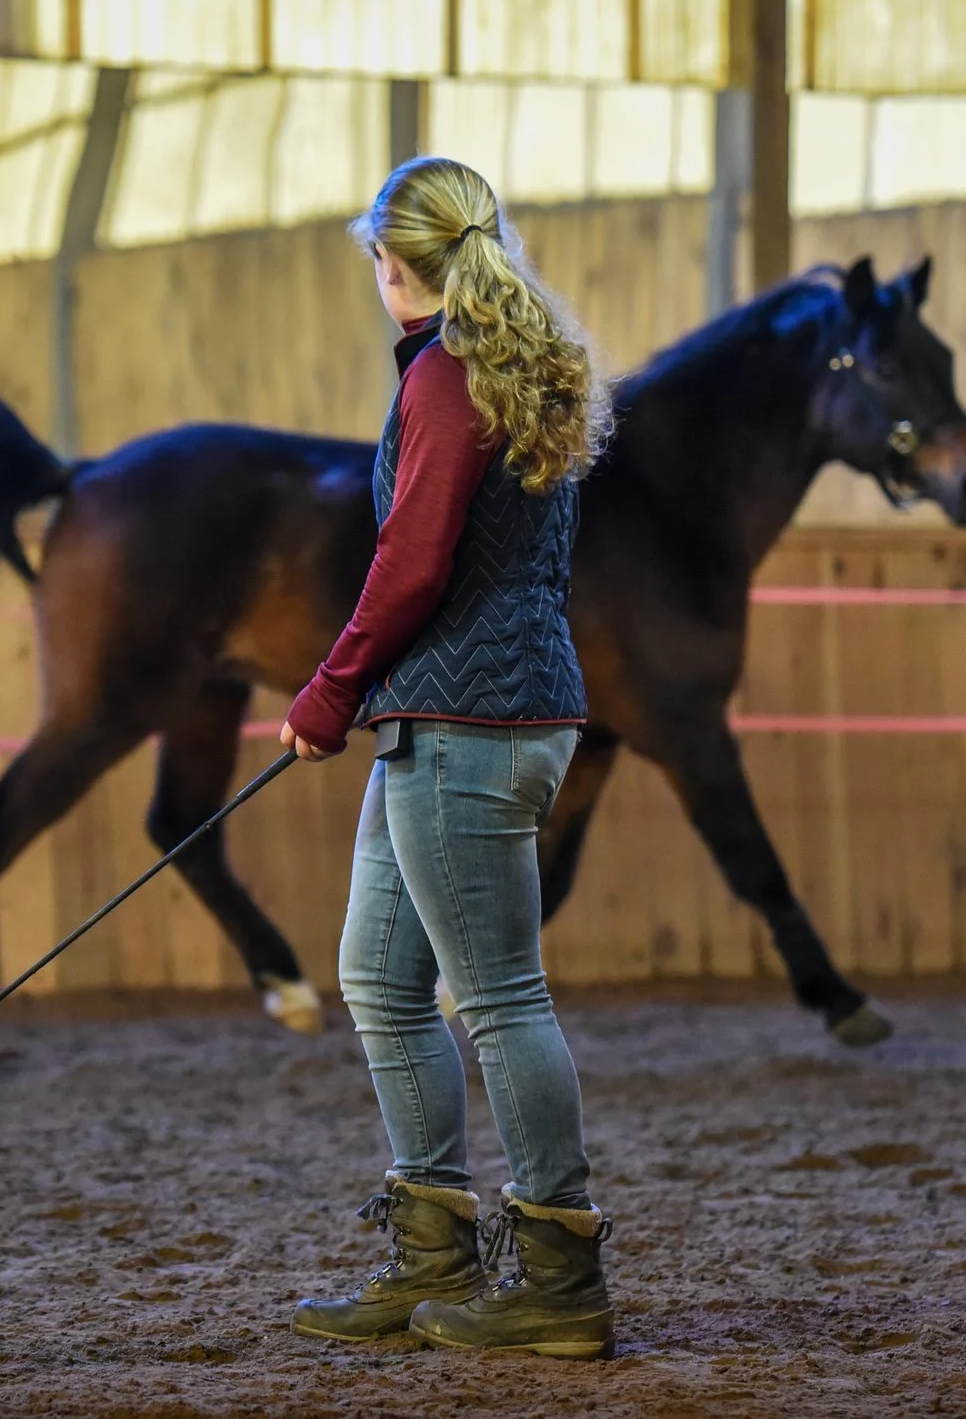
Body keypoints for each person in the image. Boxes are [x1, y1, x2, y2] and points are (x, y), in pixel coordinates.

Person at [280, 157, 615, 1359]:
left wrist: (328, 690)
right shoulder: (516, 361)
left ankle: (562, 1276)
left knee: (497, 996)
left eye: (374, 259)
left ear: (393, 264)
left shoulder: (442, 378)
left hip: (465, 727)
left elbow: (413, 564)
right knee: (377, 974)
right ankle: (430, 1251)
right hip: (476, 714)